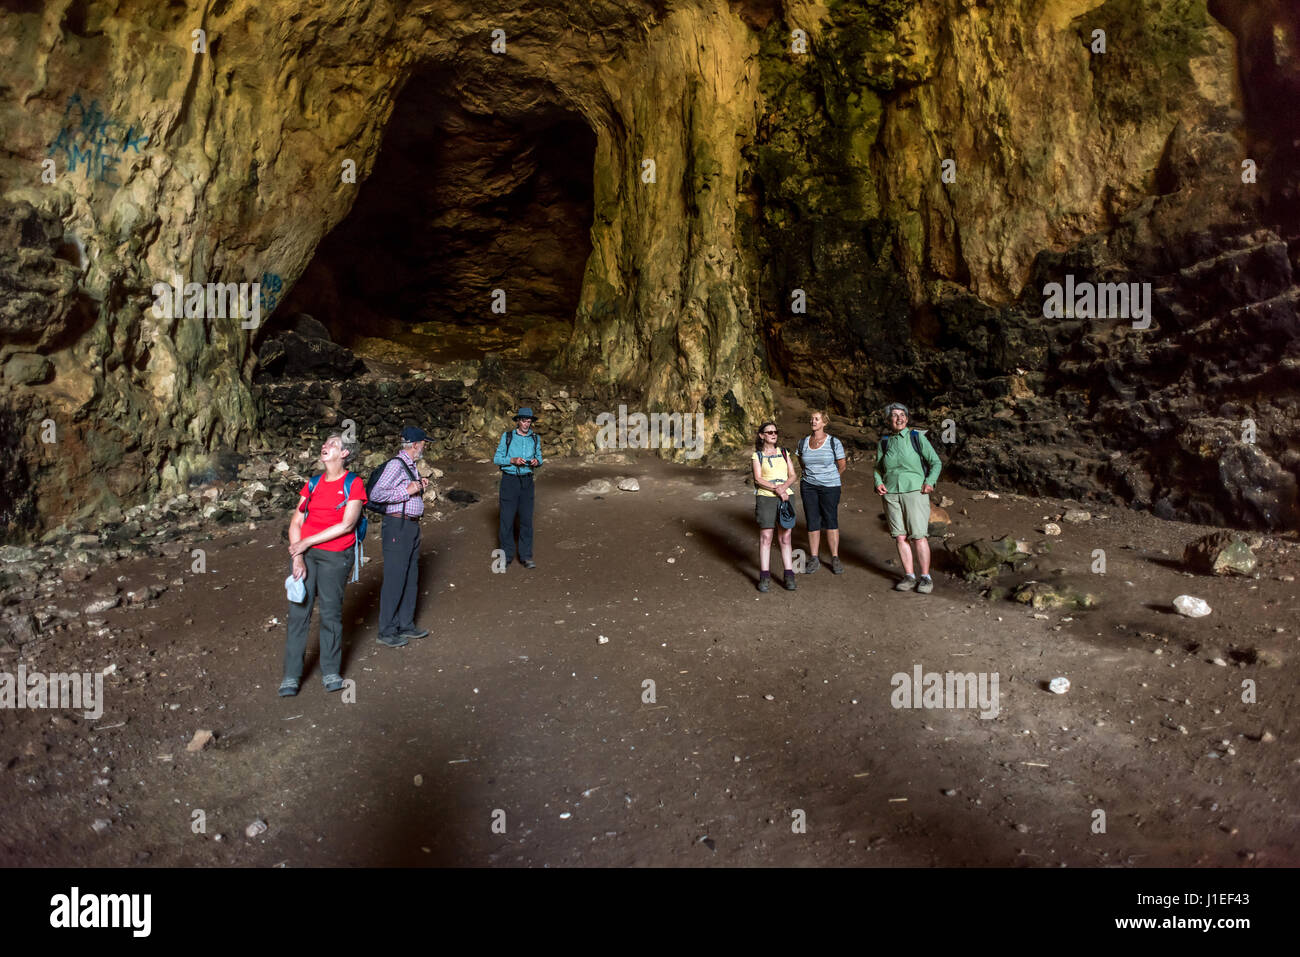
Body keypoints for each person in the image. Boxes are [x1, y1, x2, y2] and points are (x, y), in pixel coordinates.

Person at [280, 433, 367, 696]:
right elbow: (296, 522)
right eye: (325, 443)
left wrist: (306, 543)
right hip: (306, 555)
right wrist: (298, 557)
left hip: (334, 557)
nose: (325, 446)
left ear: (344, 454)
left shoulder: (354, 483)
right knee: (298, 613)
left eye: (332, 444)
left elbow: (347, 524)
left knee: (330, 614)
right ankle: (291, 675)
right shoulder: (313, 484)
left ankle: (330, 670)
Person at [368, 426, 431, 647]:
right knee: (395, 578)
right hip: (397, 527)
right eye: (424, 442)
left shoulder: (409, 466)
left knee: (410, 577)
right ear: (415, 444)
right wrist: (408, 491)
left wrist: (418, 486)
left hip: (411, 527)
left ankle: (406, 624)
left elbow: (405, 488)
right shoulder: (396, 464)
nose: (425, 446)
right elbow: (376, 494)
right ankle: (386, 631)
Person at [873, 402, 942, 594]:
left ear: (907, 418)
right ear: (888, 420)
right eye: (894, 415)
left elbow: (935, 462)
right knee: (900, 536)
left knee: (918, 536)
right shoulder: (884, 442)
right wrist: (878, 482)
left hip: (915, 491)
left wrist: (930, 482)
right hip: (891, 494)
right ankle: (909, 576)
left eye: (902, 414)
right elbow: (878, 467)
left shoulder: (916, 438)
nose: (899, 418)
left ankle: (926, 577)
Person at [796, 410, 847, 574]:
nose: (813, 421)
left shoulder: (834, 442)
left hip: (830, 487)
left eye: (817, 419)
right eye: (811, 419)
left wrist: (829, 478)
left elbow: (842, 465)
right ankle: (814, 558)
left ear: (824, 422)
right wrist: (812, 476)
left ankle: (835, 557)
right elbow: (801, 462)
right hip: (809, 486)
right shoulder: (803, 442)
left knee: (830, 519)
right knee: (812, 521)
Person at [494, 407, 544, 569]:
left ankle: (526, 556)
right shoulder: (508, 436)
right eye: (523, 421)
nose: (526, 424)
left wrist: (537, 461)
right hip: (510, 481)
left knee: (526, 520)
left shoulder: (535, 438)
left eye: (529, 421)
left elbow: (540, 457)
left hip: (527, 482)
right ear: (518, 421)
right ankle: (506, 556)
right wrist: (513, 460)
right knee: (506, 520)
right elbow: (497, 458)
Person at [752, 421, 798, 592]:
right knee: (766, 537)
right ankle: (764, 576)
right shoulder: (757, 456)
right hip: (766, 498)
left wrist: (783, 489)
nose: (773, 434)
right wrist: (777, 489)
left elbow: (793, 475)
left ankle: (789, 574)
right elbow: (758, 479)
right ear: (762, 435)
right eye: (769, 432)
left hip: (786, 497)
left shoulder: (784, 453)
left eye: (775, 431)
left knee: (785, 537)